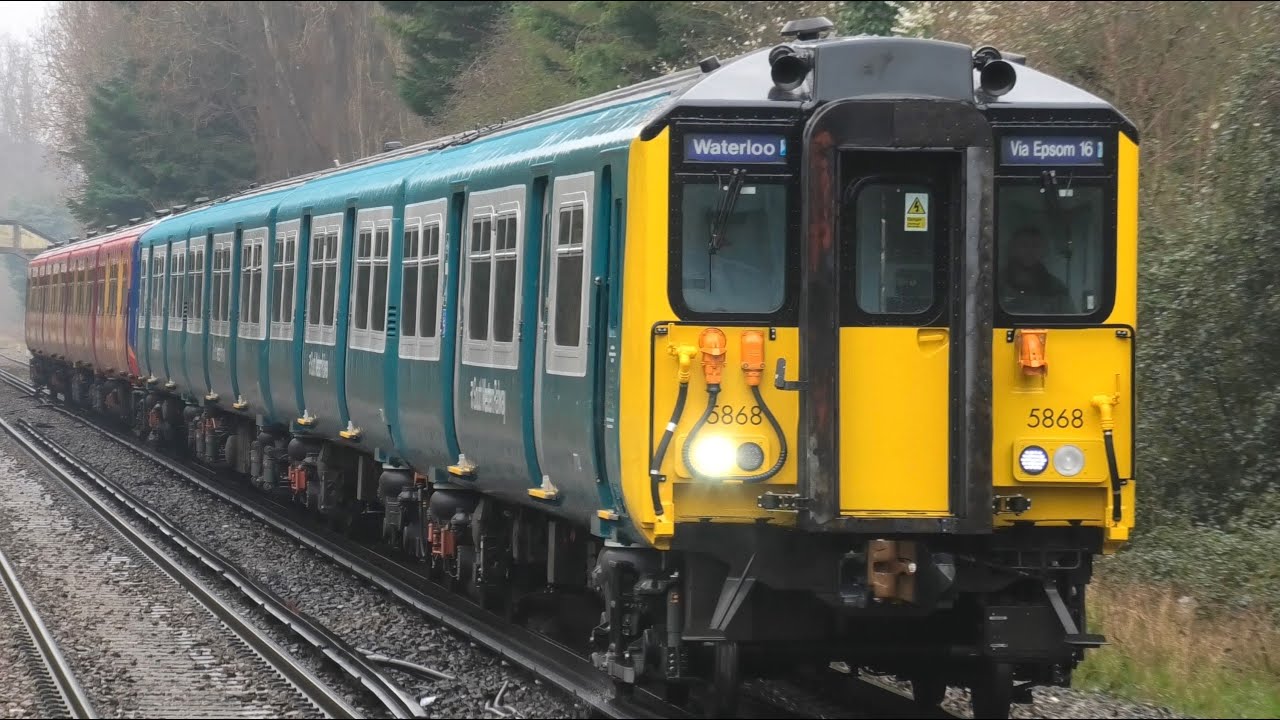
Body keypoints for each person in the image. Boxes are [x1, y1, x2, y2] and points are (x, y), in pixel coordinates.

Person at [1001, 225, 1072, 314]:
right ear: (1013, 248)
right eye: (1024, 244)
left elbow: (1069, 321)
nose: (1030, 250)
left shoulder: (1056, 289)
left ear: (1043, 251)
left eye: (1035, 245)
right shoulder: (997, 284)